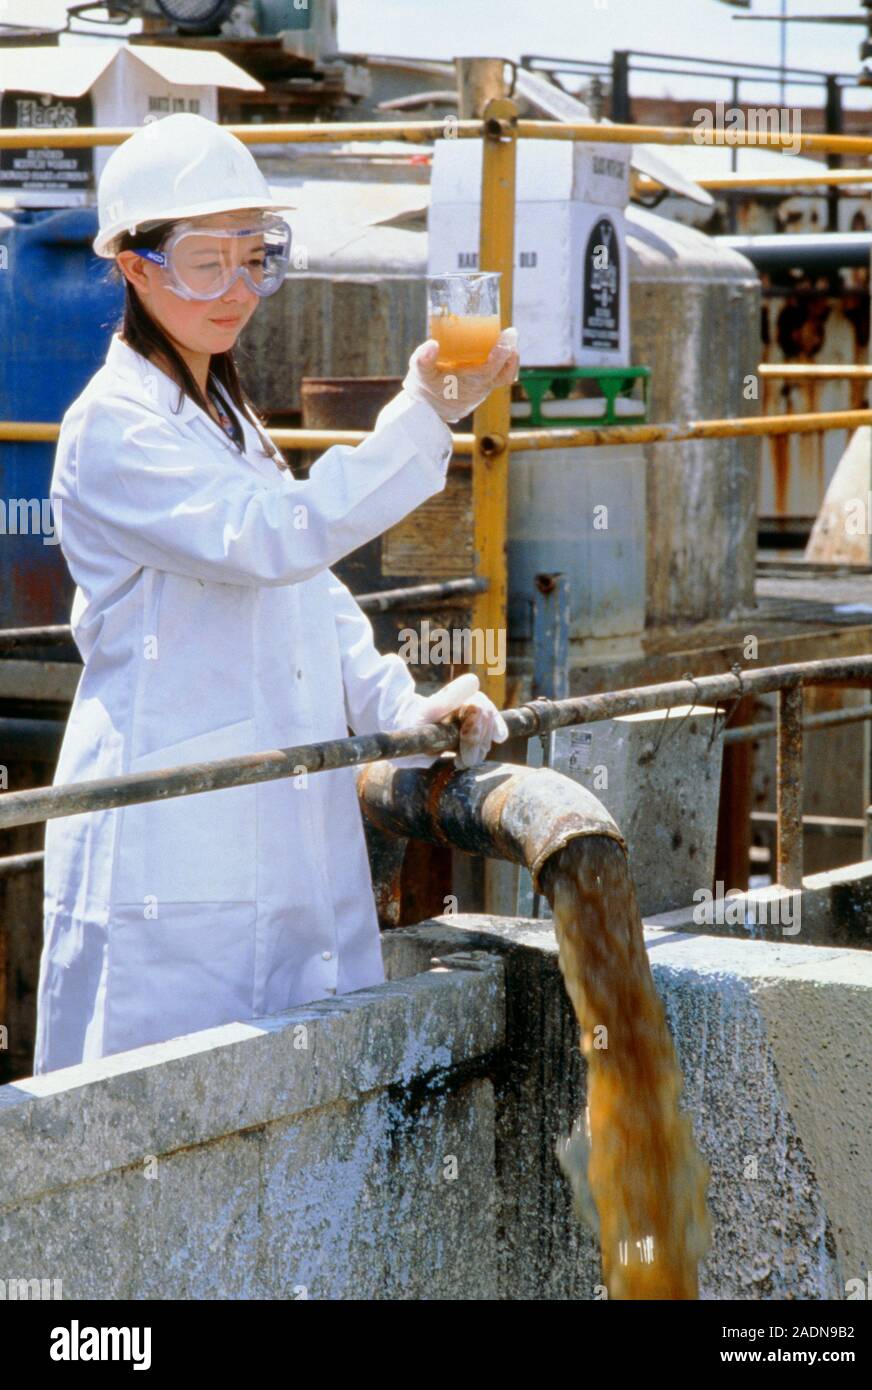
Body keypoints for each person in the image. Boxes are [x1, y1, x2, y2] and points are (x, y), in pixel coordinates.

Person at [33, 113, 519, 1075]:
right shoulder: (114, 429)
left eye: (256, 257)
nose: (237, 289)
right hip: (170, 845)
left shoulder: (222, 408)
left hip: (277, 818)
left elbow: (302, 587)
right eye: (204, 262)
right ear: (134, 269)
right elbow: (274, 539)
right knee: (162, 1134)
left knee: (288, 1122)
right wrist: (418, 416)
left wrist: (400, 706)